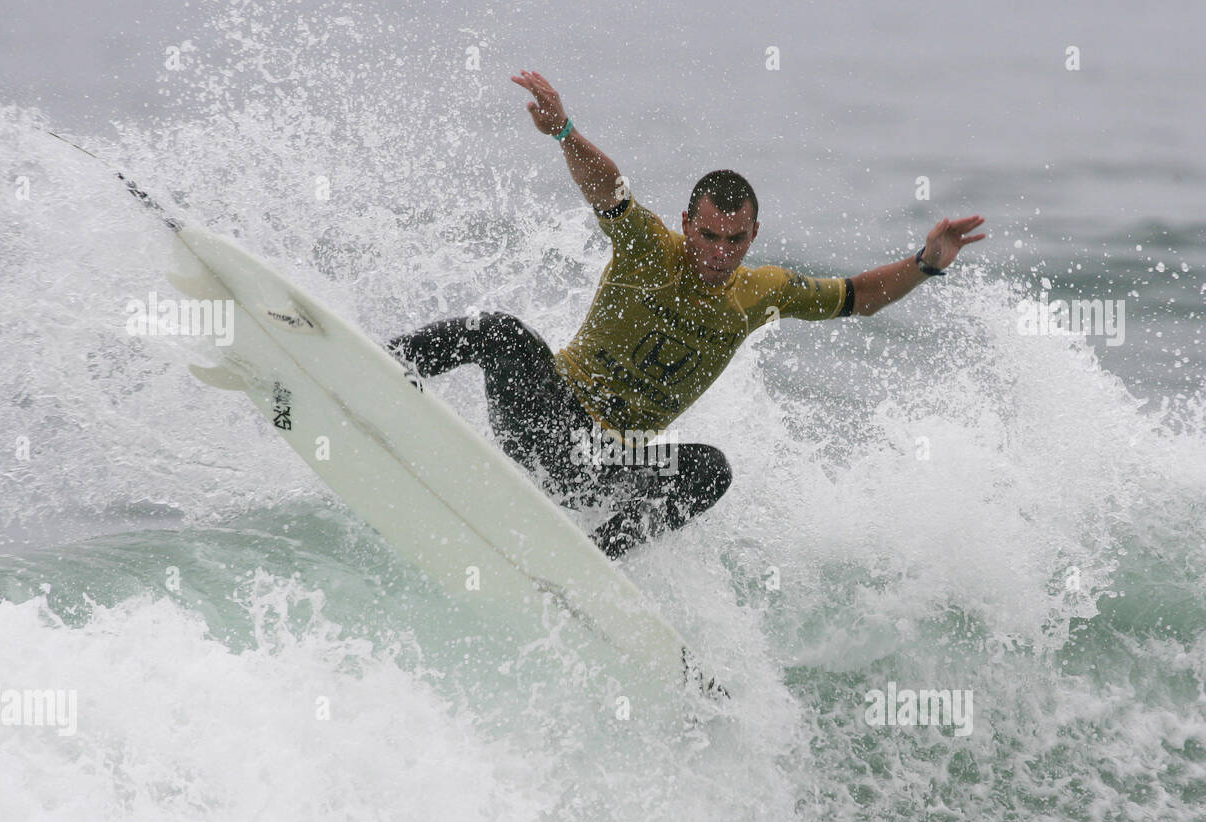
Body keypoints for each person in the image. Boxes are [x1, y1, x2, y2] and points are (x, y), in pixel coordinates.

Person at [387, 69, 986, 559]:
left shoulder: (761, 292)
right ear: (684, 225)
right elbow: (607, 188)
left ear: (754, 236)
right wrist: (564, 131)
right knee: (498, 332)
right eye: (708, 235)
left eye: (735, 240)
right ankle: (378, 371)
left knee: (709, 470)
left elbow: (856, 298)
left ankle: (593, 562)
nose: (719, 254)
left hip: (613, 463)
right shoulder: (647, 245)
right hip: (548, 422)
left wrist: (926, 263)